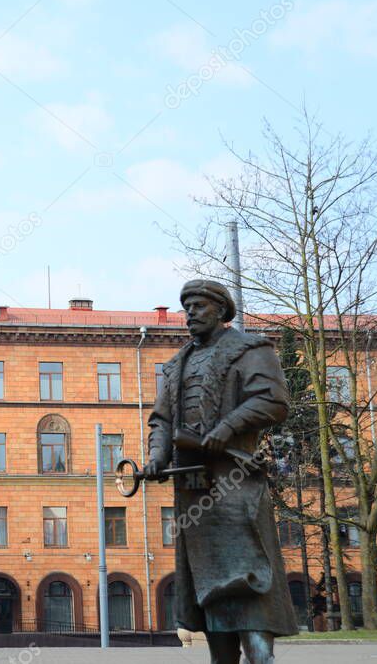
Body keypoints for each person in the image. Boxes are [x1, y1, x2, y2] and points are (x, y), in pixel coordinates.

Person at [146, 280, 298, 663]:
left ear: (220, 310)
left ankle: (261, 656)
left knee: (249, 572)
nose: (190, 314)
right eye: (186, 308)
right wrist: (156, 459)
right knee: (209, 583)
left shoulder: (250, 350)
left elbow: (273, 400)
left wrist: (226, 428)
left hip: (236, 482)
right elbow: (161, 420)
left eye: (198, 306)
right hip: (193, 489)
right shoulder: (177, 364)